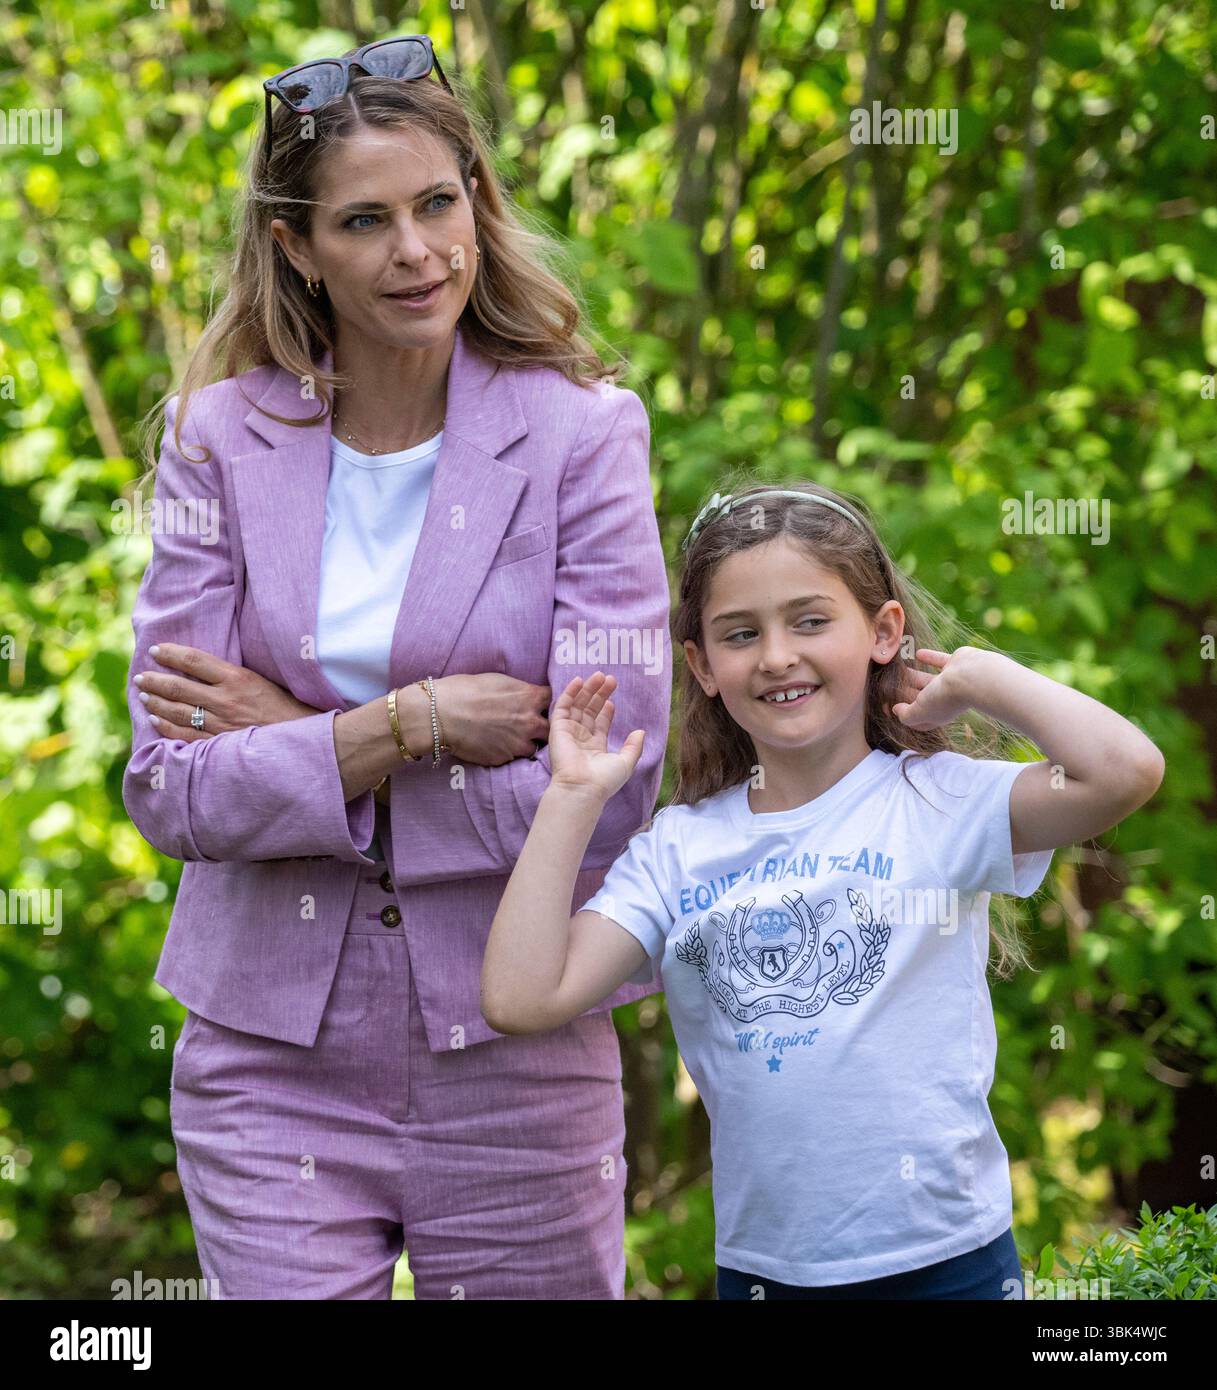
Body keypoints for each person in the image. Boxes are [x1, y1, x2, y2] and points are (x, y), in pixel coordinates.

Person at [122, 34, 671, 1299]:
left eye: (438, 204)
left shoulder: (581, 435)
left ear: (478, 200)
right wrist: (405, 725)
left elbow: (611, 778)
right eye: (364, 221)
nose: (416, 252)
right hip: (269, 1053)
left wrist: (296, 739)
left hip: (517, 1034)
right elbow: (170, 786)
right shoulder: (217, 439)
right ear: (298, 247)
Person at [481, 480, 1165, 1300]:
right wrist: (570, 799)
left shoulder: (937, 799)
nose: (776, 656)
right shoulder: (679, 850)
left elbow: (1124, 771)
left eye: (810, 621)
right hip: (767, 1276)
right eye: (741, 634)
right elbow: (521, 997)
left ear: (882, 633)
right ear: (700, 665)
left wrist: (985, 678)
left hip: (949, 1264)